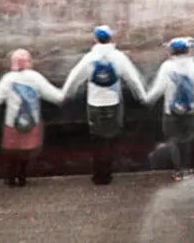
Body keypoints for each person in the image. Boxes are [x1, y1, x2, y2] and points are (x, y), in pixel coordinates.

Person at [62, 25, 148, 185]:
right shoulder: (118, 57)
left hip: (94, 104)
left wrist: (66, 95)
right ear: (111, 38)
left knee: (96, 139)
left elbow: (74, 78)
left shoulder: (89, 58)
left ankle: (98, 174)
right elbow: (133, 79)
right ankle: (108, 173)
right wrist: (142, 97)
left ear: (95, 39)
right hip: (113, 104)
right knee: (111, 137)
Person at [0, 49, 65, 187]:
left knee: (12, 152)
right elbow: (55, 96)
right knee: (26, 152)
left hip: (12, 123)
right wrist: (65, 95)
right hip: (32, 122)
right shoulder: (35, 77)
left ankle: (11, 178)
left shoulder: (8, 78)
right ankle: (22, 177)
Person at [146, 37, 194, 181]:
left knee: (175, 141)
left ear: (172, 51)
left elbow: (158, 89)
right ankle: (187, 169)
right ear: (187, 50)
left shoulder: (167, 67)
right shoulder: (193, 66)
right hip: (190, 111)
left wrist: (147, 100)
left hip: (171, 112)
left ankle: (178, 171)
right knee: (186, 141)